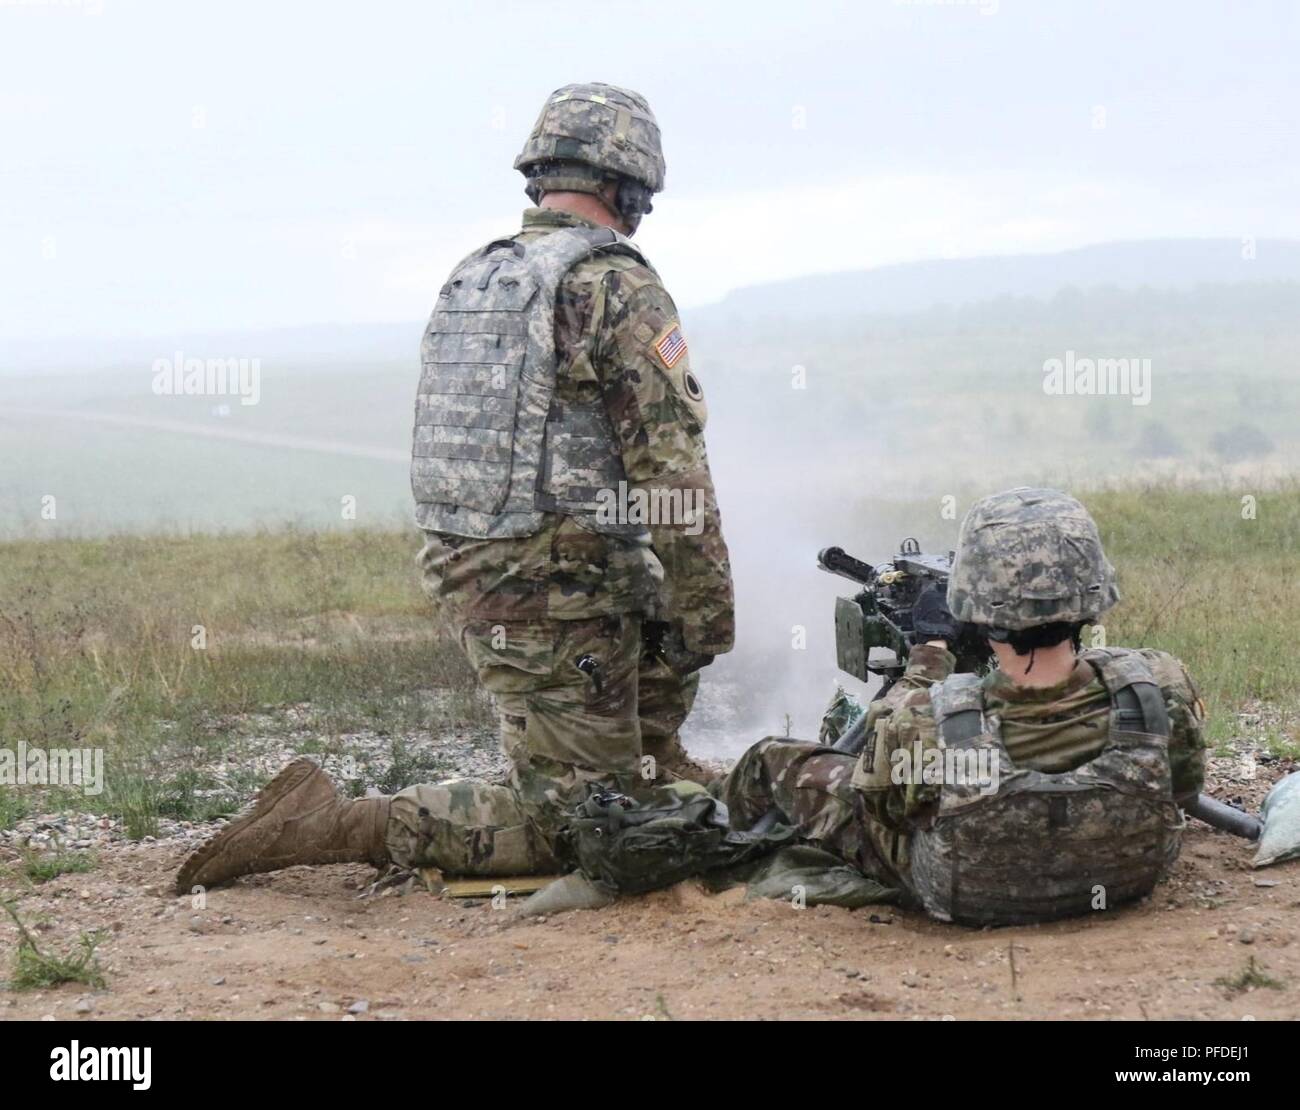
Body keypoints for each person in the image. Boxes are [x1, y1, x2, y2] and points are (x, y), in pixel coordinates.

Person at [175, 82, 733, 894]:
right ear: (631, 187)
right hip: (558, 593)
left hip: (485, 573)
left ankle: (645, 757)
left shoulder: (483, 277)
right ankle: (329, 821)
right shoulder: (615, 285)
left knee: (647, 654)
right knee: (586, 832)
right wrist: (710, 618)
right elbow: (673, 479)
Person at [718, 487, 1206, 924]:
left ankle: (711, 845)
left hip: (967, 893)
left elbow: (880, 807)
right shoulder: (1157, 686)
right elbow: (1183, 790)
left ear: (973, 603)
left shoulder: (927, 716)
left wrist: (929, 653)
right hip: (1128, 876)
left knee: (772, 758)